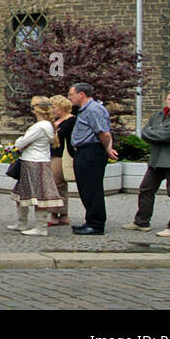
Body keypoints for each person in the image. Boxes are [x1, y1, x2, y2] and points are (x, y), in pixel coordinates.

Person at [125, 90, 170, 237]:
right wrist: (157, 132)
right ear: (165, 100)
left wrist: (156, 132)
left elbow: (165, 135)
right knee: (146, 189)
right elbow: (145, 133)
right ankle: (141, 222)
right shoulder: (158, 115)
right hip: (157, 160)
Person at [67, 82, 118, 235]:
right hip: (83, 152)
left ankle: (96, 224)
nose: (69, 98)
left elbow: (104, 133)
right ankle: (90, 220)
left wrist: (108, 148)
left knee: (92, 188)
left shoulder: (94, 110)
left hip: (91, 152)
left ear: (81, 94)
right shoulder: (85, 110)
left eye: (71, 94)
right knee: (85, 188)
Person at [9, 96, 64, 235]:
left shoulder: (41, 126)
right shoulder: (46, 125)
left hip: (35, 162)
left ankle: (41, 228)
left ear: (35, 109)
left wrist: (18, 141)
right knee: (23, 193)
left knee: (39, 195)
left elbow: (20, 143)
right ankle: (22, 223)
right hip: (33, 161)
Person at [47, 94, 76, 226]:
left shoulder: (70, 120)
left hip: (61, 155)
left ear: (62, 107)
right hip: (54, 154)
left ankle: (56, 214)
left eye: (54, 107)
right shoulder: (56, 121)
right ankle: (62, 214)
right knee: (59, 185)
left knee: (56, 184)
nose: (52, 110)